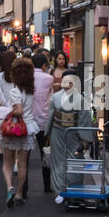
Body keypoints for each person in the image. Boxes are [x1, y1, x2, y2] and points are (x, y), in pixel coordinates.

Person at [0, 56, 39, 208]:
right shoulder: (31, 91)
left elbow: (18, 110)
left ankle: (9, 188)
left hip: (13, 129)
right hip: (28, 128)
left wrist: (8, 111)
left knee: (8, 162)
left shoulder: (15, 91)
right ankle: (19, 193)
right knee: (23, 164)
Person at [45, 75, 92, 204]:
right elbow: (51, 114)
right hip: (57, 131)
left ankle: (74, 189)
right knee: (58, 161)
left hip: (74, 133)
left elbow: (84, 118)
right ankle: (60, 190)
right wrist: (48, 132)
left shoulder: (80, 100)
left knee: (75, 159)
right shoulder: (55, 97)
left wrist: (85, 139)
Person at [30, 49, 55, 195]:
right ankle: (47, 186)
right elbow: (50, 97)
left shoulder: (27, 77)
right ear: (45, 65)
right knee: (46, 153)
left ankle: (23, 189)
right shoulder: (49, 78)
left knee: (24, 157)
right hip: (45, 120)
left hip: (29, 120)